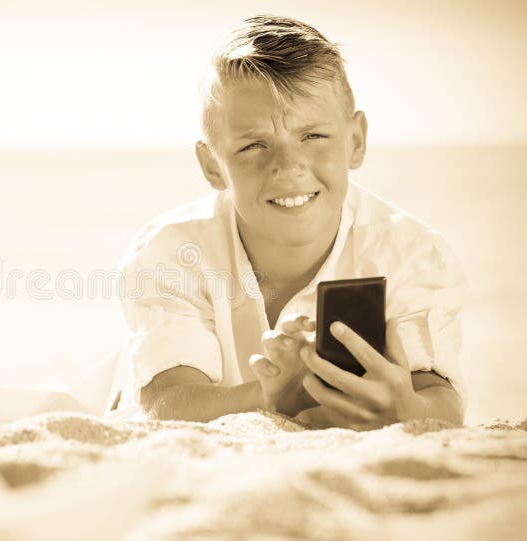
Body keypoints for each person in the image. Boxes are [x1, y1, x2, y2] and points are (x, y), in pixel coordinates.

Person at [107, 15, 468, 430]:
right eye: (253, 145)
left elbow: (442, 400)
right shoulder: (171, 252)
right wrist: (270, 397)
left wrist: (407, 409)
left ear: (355, 141)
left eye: (313, 137)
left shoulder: (409, 252)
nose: (289, 166)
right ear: (212, 166)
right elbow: (166, 404)